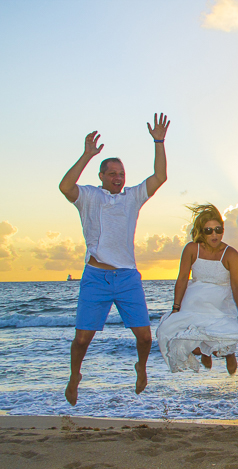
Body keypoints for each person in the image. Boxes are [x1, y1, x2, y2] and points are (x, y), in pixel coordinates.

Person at [58, 114, 170, 405]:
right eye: (112, 173)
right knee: (82, 340)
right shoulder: (89, 197)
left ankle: (141, 368)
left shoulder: (132, 197)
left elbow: (160, 177)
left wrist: (159, 142)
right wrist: (86, 154)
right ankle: (75, 376)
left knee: (145, 337)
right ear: (101, 176)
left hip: (127, 278)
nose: (118, 177)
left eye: (121, 173)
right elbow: (65, 187)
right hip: (96, 277)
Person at [156, 204, 238, 374]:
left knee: (223, 338)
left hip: (220, 299)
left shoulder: (231, 254)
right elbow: (182, 279)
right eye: (209, 231)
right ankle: (202, 350)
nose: (214, 234)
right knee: (170, 331)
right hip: (195, 297)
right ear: (202, 231)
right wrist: (175, 308)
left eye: (218, 229)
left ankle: (228, 354)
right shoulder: (192, 249)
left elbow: (237, 286)